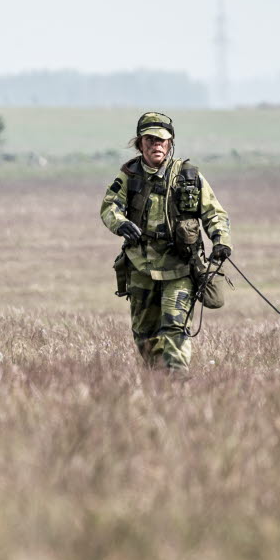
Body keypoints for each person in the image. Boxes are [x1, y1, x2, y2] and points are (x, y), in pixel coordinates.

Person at [100, 111, 232, 373]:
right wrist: (120, 223)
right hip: (141, 265)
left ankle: (177, 383)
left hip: (180, 266)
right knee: (144, 333)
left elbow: (214, 213)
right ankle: (159, 382)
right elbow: (108, 207)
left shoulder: (189, 176)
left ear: (170, 143)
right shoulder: (129, 175)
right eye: (150, 140)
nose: (156, 145)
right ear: (140, 143)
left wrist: (220, 240)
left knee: (174, 326)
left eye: (162, 140)